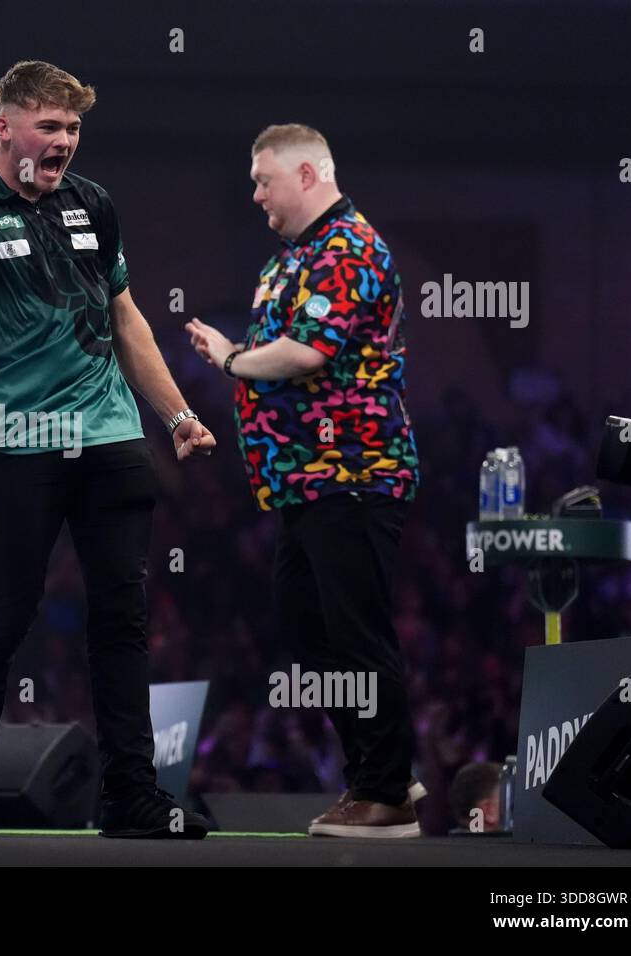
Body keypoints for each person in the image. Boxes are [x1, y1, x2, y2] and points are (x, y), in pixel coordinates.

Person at [0, 60, 215, 838]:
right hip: (22, 440)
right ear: (4, 127)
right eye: (48, 126)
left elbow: (127, 322)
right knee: (9, 614)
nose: (63, 143)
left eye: (73, 129)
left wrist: (176, 413)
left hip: (111, 435)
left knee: (122, 617)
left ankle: (131, 796)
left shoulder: (94, 206)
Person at [187, 124, 423, 837]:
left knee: (354, 632)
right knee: (306, 623)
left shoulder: (348, 247)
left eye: (264, 180)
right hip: (305, 483)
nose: (255, 194)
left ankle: (382, 794)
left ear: (310, 175)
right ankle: (385, 769)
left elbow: (308, 353)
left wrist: (230, 360)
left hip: (352, 470)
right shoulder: (295, 259)